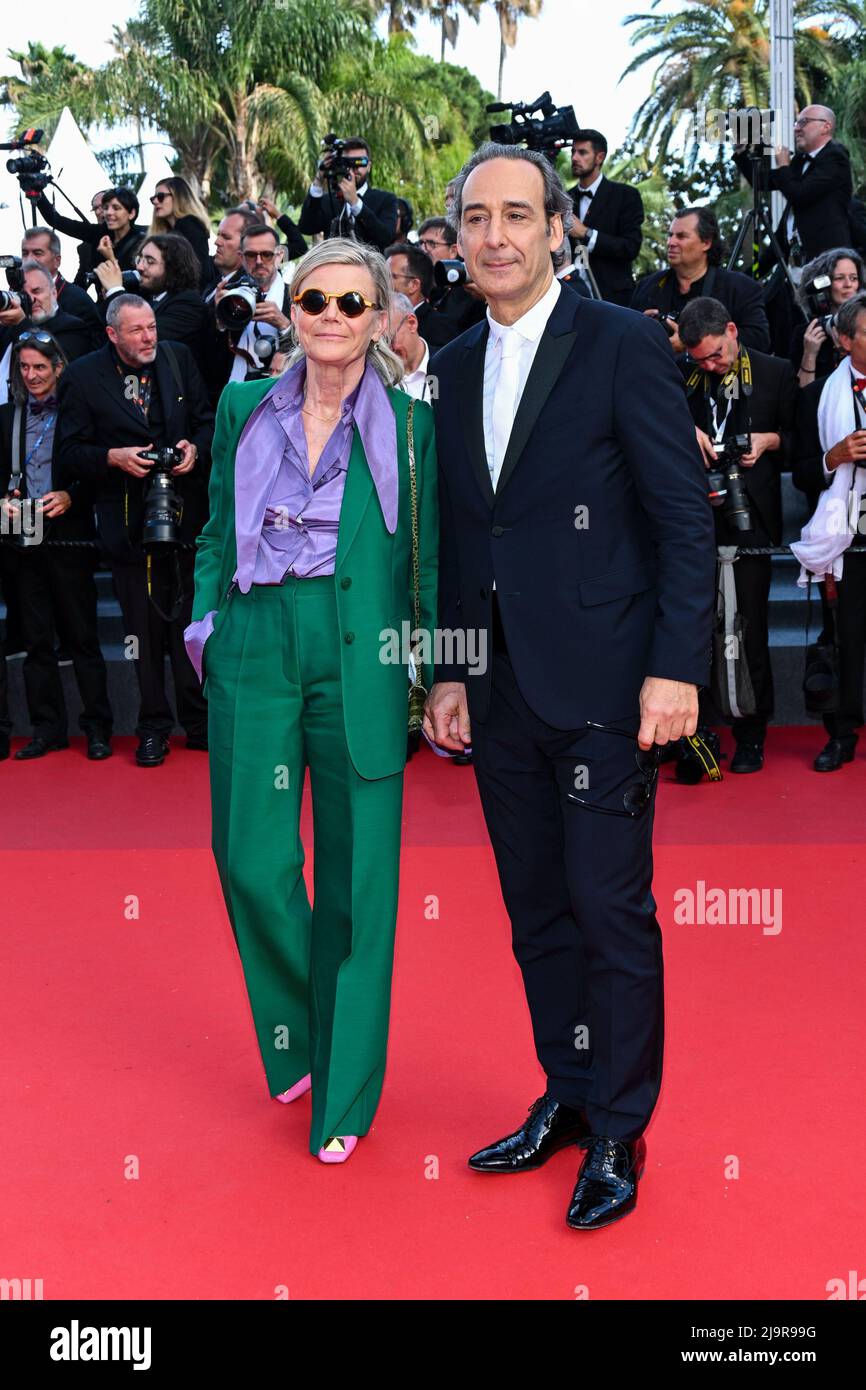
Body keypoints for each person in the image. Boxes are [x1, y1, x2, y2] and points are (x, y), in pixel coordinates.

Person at [424, 141, 715, 1231]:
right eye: (474, 219)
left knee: (608, 912)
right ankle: (567, 1090)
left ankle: (618, 1130)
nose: (494, 235)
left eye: (516, 215)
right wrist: (449, 670)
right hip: (498, 691)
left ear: (557, 228)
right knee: (536, 914)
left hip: (603, 681)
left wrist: (674, 669)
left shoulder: (622, 342)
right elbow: (460, 535)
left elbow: (683, 519)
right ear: (455, 240)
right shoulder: (445, 368)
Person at [183, 239, 438, 1163]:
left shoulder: (412, 426)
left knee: (358, 876)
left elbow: (430, 557)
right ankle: (295, 1028)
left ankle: (344, 1095)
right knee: (248, 854)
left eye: (352, 303)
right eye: (314, 299)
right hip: (256, 637)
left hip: (360, 645)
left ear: (380, 319)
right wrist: (205, 626)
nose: (332, 316)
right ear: (289, 309)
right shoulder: (242, 404)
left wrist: (433, 668)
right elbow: (216, 523)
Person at [56, 294, 214, 766]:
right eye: (137, 331)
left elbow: (207, 423)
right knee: (140, 637)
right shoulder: (83, 376)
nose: (149, 337)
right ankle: (152, 727)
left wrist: (193, 449)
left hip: (185, 518)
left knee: (189, 627)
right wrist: (112, 457)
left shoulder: (177, 357)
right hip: (126, 525)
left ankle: (200, 722)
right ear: (111, 335)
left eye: (151, 326)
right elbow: (69, 452)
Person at [678, 297, 797, 773]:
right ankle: (697, 735)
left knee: (750, 628)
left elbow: (804, 444)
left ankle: (752, 733)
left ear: (732, 329)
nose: (710, 365)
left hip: (753, 521)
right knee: (692, 630)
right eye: (700, 359)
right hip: (692, 523)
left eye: (716, 355)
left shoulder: (774, 372)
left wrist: (770, 441)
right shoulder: (678, 379)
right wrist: (683, 429)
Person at [0, 334, 112, 760]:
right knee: (36, 641)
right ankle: (48, 729)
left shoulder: (76, 414)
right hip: (23, 542)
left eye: (40, 367)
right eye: (25, 368)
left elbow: (96, 469)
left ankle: (98, 728)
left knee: (82, 638)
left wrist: (71, 497)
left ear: (59, 368)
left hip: (71, 539)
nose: (31, 376)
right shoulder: (7, 417)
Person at [791, 293, 866, 771]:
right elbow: (800, 473)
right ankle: (841, 734)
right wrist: (833, 456)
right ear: (845, 340)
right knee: (843, 638)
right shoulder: (819, 396)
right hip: (847, 539)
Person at [631, 206, 771, 353]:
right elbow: (626, 338)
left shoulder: (740, 288)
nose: (671, 243)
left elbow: (759, 341)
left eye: (681, 236)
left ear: (706, 242)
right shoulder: (647, 287)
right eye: (670, 235)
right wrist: (641, 326)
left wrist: (691, 343)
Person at [734, 105, 853, 262]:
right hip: (794, 259)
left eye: (803, 122)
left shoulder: (835, 157)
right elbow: (763, 183)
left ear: (825, 127)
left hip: (826, 258)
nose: (796, 129)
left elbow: (799, 194)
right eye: (796, 124)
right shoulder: (800, 160)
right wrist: (741, 151)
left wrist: (783, 165)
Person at [94, 233, 209, 368]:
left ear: (173, 268)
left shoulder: (188, 304)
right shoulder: (146, 294)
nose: (140, 267)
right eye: (140, 259)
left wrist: (115, 291)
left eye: (150, 261)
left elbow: (141, 339)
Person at [566, 128, 644, 306]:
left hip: (612, 298)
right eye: (573, 152)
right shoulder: (564, 199)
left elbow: (630, 247)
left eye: (582, 152)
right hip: (571, 296)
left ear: (599, 157)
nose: (574, 158)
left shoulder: (625, 195)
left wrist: (586, 233)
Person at [0, 263, 95, 402]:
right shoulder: (8, 326)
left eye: (37, 291)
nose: (31, 299)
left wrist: (21, 323)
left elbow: (56, 370)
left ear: (54, 293)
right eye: (24, 294)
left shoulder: (73, 327)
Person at [298, 137, 398, 250]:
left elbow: (386, 238)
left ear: (369, 166)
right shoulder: (329, 199)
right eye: (348, 163)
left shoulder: (386, 199)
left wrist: (356, 203)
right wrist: (318, 180)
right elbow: (306, 227)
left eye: (360, 162)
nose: (354, 168)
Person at [791, 248, 864, 387]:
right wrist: (809, 355)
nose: (848, 284)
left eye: (854, 278)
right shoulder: (807, 334)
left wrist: (848, 355)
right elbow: (802, 398)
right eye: (839, 278)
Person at [37, 185, 147, 276]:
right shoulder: (97, 233)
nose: (107, 213)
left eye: (116, 208)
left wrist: (110, 258)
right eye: (106, 207)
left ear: (132, 213)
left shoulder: (145, 239)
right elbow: (57, 221)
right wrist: (37, 191)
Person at [19, 227, 104, 344]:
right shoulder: (16, 294)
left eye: (37, 253)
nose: (29, 260)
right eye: (25, 253)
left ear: (57, 261)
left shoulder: (77, 300)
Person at [417, 216, 487, 334]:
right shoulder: (418, 285)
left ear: (453, 251)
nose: (424, 250)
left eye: (431, 244)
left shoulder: (471, 290)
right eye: (421, 243)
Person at [385, 242, 460, 349]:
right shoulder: (378, 319)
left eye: (391, 276)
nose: (382, 282)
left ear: (414, 285)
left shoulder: (440, 327)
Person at [148, 176, 213, 289]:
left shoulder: (190, 225)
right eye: (153, 198)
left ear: (179, 197)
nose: (155, 202)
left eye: (160, 197)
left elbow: (199, 270)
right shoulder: (171, 229)